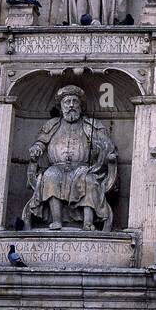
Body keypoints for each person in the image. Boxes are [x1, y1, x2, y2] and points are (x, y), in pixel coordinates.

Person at [22, 86, 118, 231]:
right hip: (57, 167)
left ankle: (88, 222)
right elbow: (41, 142)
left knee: (89, 180)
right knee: (50, 176)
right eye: (67, 102)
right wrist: (36, 148)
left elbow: (107, 146)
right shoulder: (52, 124)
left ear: (81, 106)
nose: (71, 105)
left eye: (75, 101)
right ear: (61, 107)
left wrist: (100, 148)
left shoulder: (92, 125)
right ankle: (56, 220)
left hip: (84, 168)